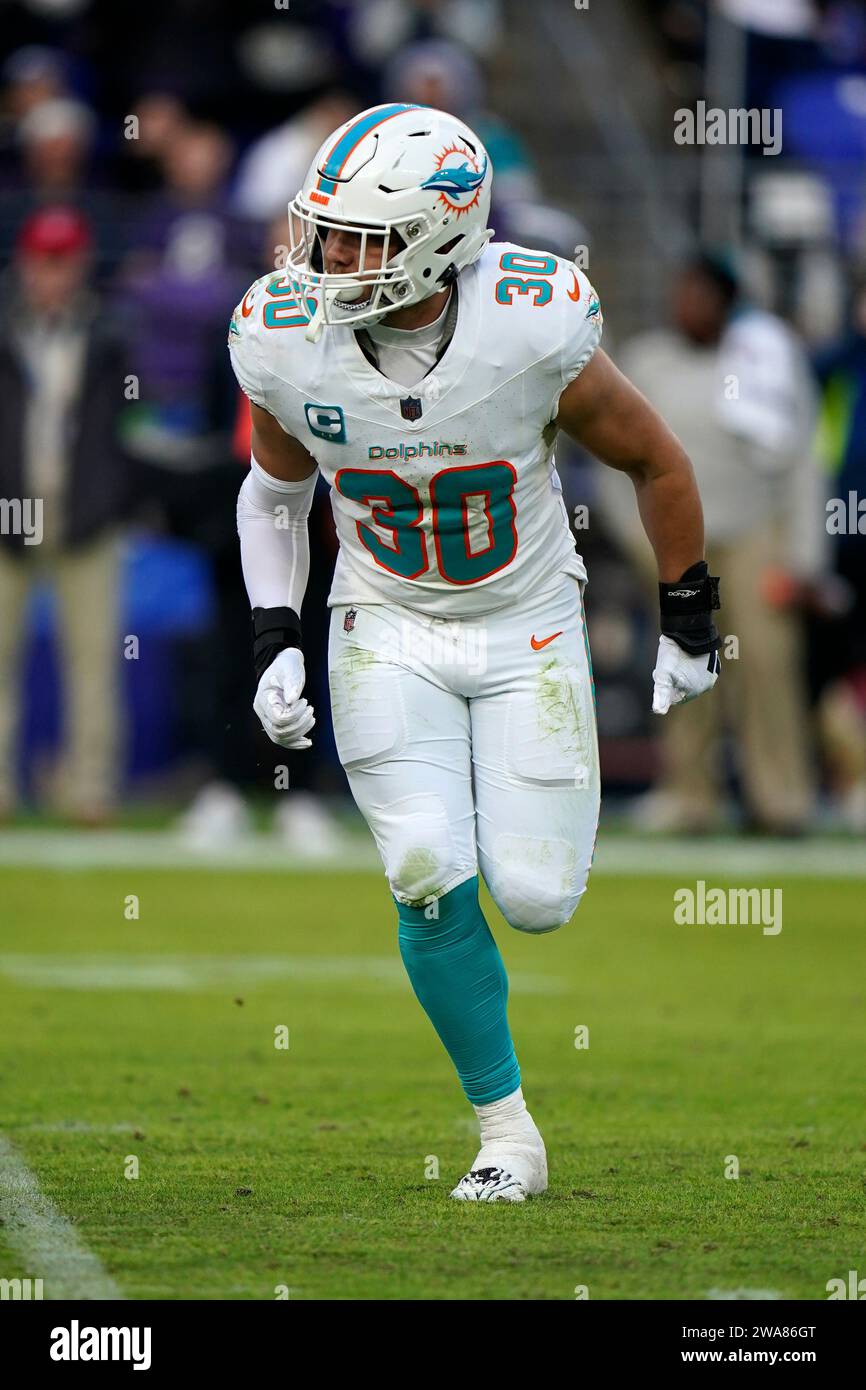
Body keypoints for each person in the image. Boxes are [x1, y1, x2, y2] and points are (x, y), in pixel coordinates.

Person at [228, 104, 720, 1202]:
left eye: (361, 237)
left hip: (526, 622)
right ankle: (506, 1132)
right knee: (420, 869)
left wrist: (689, 612)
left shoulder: (528, 324)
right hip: (381, 621)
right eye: (327, 231)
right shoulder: (279, 332)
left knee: (537, 896)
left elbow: (656, 460)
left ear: (441, 239)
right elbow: (274, 492)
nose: (327, 258)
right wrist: (275, 635)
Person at [608, 253, 823, 834]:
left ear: (729, 303)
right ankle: (687, 795)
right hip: (679, 545)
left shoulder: (767, 359)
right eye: (683, 293)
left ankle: (780, 799)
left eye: (702, 295)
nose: (689, 306)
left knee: (766, 665)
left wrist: (802, 558)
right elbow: (611, 455)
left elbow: (803, 460)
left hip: (756, 534)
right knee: (683, 661)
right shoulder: (646, 363)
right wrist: (637, 538)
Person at [0, 206, 129, 822]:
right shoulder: (8, 328)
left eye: (62, 262)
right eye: (42, 262)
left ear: (78, 265)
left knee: (93, 658)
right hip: (14, 501)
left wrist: (107, 501)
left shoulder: (106, 333)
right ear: (25, 264)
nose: (51, 275)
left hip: (84, 504)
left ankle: (89, 788)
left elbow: (122, 431)